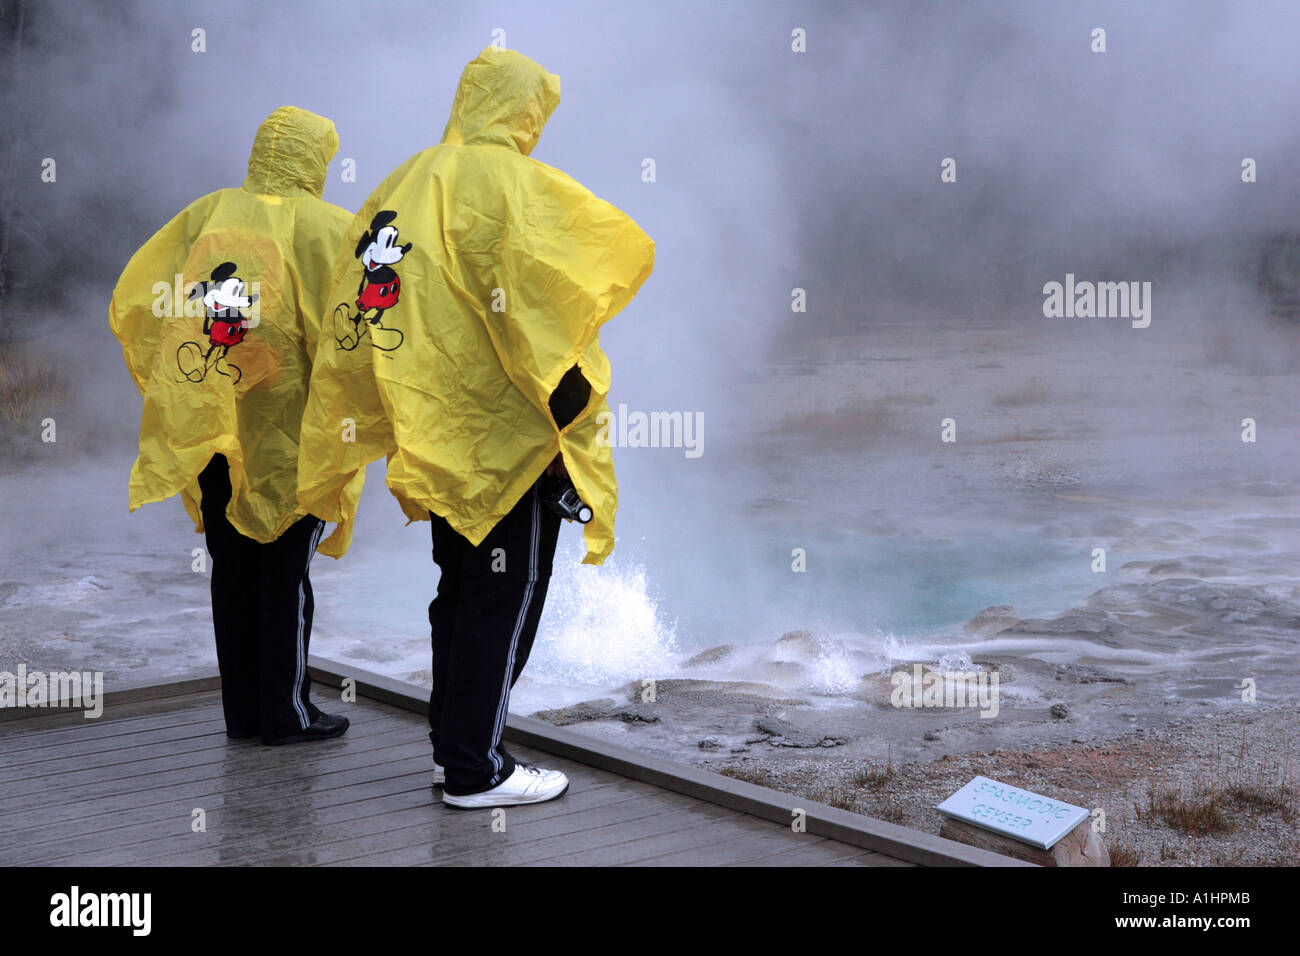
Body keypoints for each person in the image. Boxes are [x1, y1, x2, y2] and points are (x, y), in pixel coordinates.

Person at [298, 48, 655, 807]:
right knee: (508, 595)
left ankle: (454, 747)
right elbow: (545, 319)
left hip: (439, 435)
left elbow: (365, 307)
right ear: (523, 109)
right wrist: (566, 431)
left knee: (460, 593)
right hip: (507, 442)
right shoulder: (512, 188)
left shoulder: (405, 182)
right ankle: (475, 770)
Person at [109, 106, 354, 745]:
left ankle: (244, 713)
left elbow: (139, 298)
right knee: (284, 572)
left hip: (214, 427)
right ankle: (287, 714)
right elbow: (357, 336)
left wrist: (175, 383)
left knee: (233, 568)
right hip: (292, 436)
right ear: (317, 158)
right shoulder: (329, 229)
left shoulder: (207, 214)